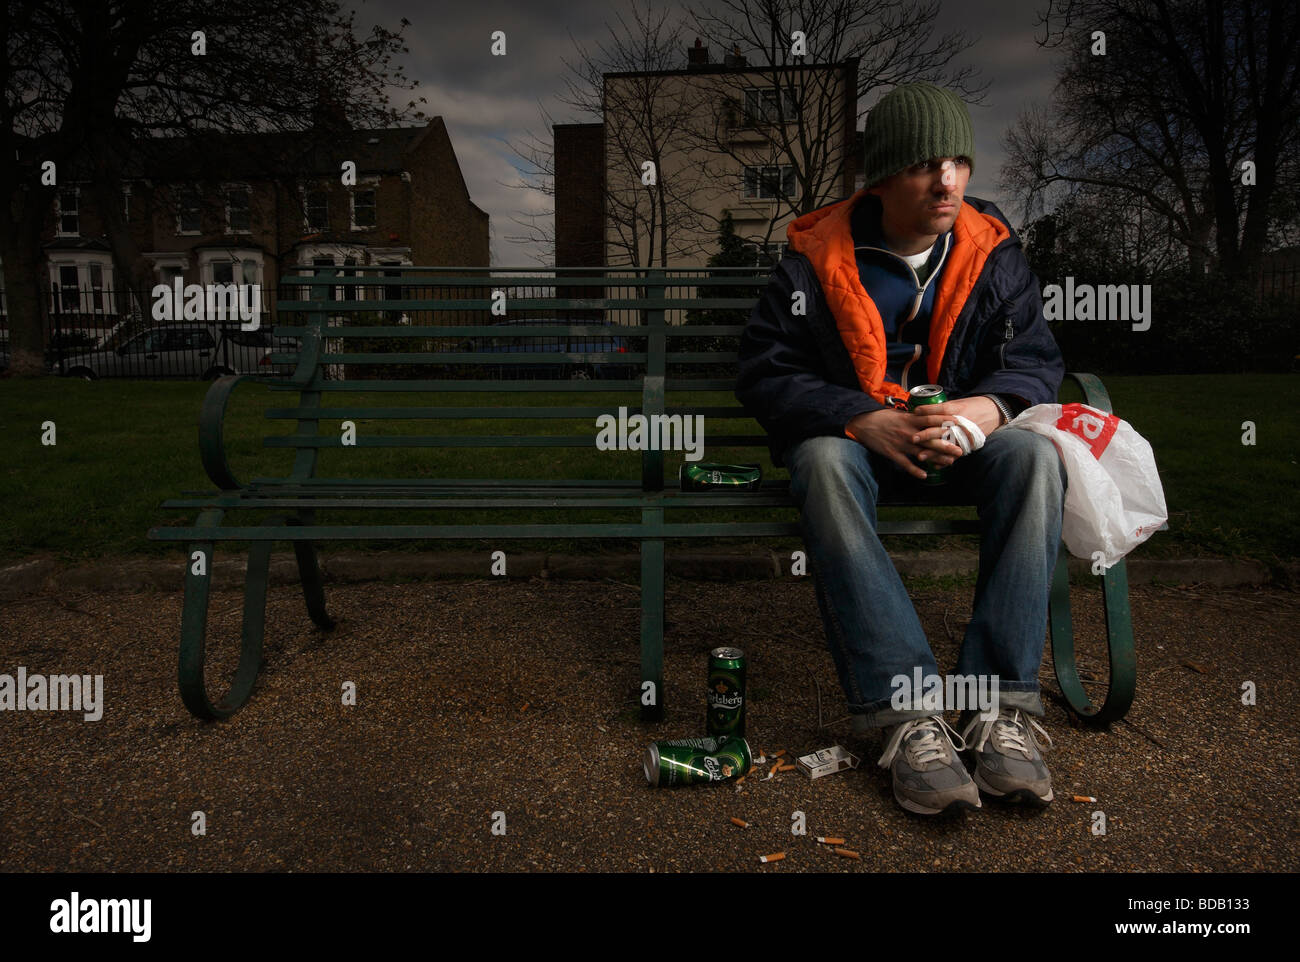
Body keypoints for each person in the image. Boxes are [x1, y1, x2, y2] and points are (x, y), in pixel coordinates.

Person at [736, 83, 1068, 816]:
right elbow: (765, 374)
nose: (946, 181)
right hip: (859, 450)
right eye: (924, 164)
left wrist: (987, 407)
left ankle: (998, 707)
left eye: (958, 162)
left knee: (1038, 458)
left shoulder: (995, 254)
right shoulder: (809, 261)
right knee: (820, 463)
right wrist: (859, 417)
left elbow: (1036, 361)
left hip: (963, 442)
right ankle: (907, 715)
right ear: (883, 177)